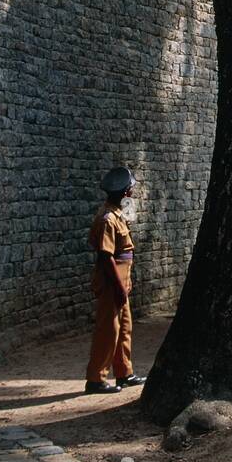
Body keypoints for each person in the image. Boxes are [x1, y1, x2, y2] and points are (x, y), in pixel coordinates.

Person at [85, 167, 147, 395]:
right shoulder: (107, 219)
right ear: (125, 192)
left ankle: (124, 372)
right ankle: (96, 378)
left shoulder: (116, 214)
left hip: (122, 279)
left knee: (125, 328)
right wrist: (119, 287)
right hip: (112, 280)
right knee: (108, 330)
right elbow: (106, 256)